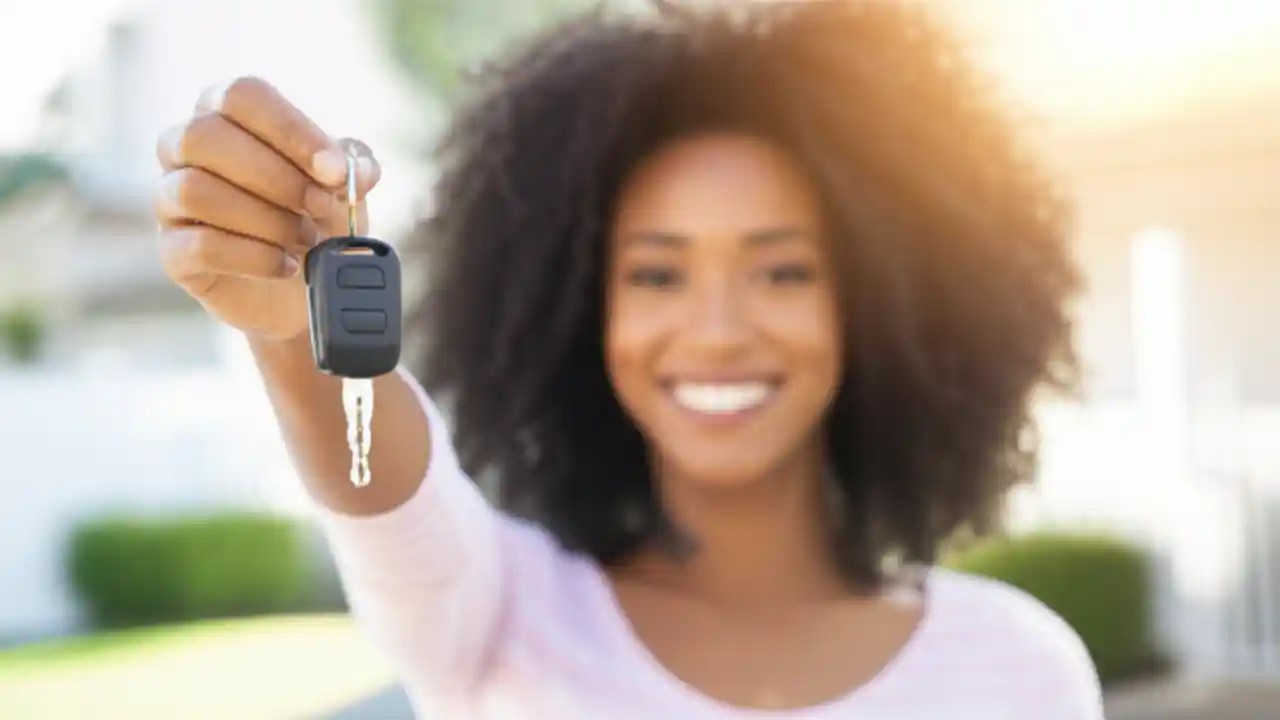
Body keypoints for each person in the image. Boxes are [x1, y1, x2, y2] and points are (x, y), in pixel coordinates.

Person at [153, 1, 1103, 717]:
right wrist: (295, 330)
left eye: (781, 271)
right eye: (656, 276)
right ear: (576, 313)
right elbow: (394, 504)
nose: (720, 328)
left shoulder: (1018, 666)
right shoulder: (502, 615)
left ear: (884, 301)